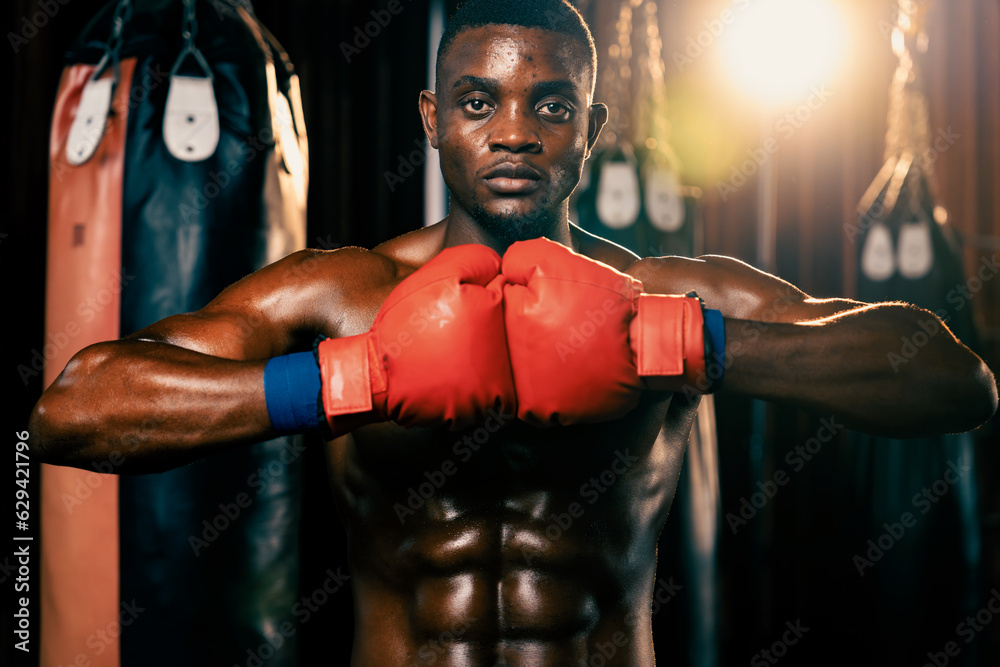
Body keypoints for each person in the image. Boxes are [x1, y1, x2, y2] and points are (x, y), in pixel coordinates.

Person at [30, 1, 997, 664]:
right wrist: (341, 380)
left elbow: (955, 378)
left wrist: (688, 346)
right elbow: (75, 409)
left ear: (592, 127)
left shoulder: (659, 293)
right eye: (479, 102)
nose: (515, 132)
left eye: (552, 106)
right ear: (432, 119)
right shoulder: (344, 295)